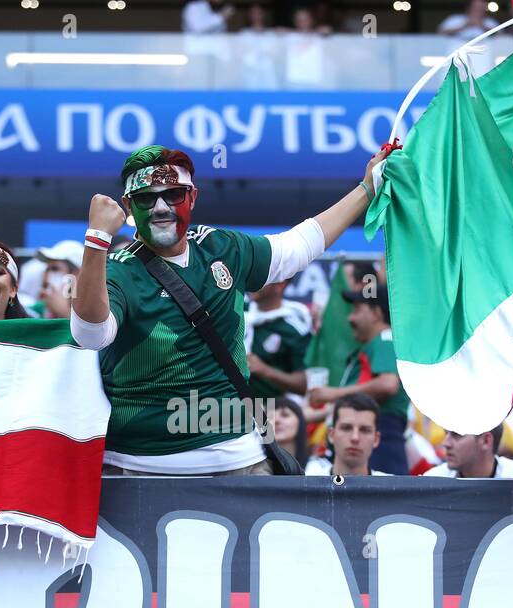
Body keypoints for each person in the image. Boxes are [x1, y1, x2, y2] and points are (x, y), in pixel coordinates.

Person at [73, 143, 389, 475]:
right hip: (139, 467)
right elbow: (91, 335)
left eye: (174, 195)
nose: (161, 208)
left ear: (193, 197)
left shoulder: (220, 247)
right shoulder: (119, 270)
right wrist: (96, 240)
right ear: (127, 205)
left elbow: (299, 247)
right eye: (145, 199)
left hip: (239, 461)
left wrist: (367, 190)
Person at [306, 286, 410, 474]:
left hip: (382, 442)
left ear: (376, 313)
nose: (350, 318)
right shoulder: (373, 346)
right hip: (370, 439)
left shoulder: (385, 340)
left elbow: (388, 384)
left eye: (357, 310)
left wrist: (332, 394)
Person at [246, 278, 312, 399]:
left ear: (280, 285)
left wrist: (265, 370)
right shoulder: (237, 309)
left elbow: (304, 384)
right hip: (222, 403)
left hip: (267, 409)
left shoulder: (295, 329)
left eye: (262, 276)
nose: (252, 280)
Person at [306, 394, 387, 477]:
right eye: (346, 428)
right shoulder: (305, 484)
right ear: (331, 434)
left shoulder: (393, 487)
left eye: (364, 430)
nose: (355, 437)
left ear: (376, 439)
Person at [423, 424, 513, 479]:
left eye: (456, 435)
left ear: (486, 441)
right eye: (446, 433)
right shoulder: (432, 479)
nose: (446, 443)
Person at [36, 240, 84, 320]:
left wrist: (64, 313)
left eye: (55, 269)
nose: (47, 276)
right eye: (47, 269)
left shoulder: (93, 310)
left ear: (77, 274)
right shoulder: (35, 311)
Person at [271, 396, 309, 470]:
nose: (276, 420)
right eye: (270, 417)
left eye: (285, 415)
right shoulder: (254, 466)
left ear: (300, 423)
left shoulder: (317, 467)